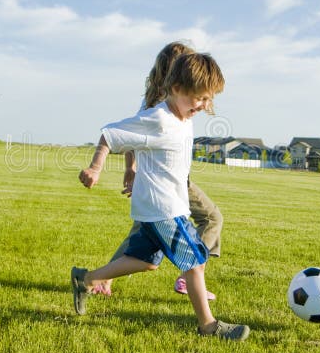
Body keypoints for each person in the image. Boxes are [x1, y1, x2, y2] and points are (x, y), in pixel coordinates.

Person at [72, 52, 249, 341]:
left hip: (163, 206)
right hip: (164, 209)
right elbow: (111, 134)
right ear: (176, 88)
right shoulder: (158, 118)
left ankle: (87, 278)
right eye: (199, 98)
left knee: (147, 262)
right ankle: (208, 326)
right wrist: (95, 167)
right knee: (193, 261)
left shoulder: (182, 117)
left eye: (208, 99)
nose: (204, 106)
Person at [91, 42, 224, 300]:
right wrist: (128, 168)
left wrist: (131, 169)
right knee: (211, 218)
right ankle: (191, 276)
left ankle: (101, 278)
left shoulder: (168, 101)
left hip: (164, 181)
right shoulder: (164, 108)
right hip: (166, 184)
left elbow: (133, 136)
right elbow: (129, 134)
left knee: (144, 237)